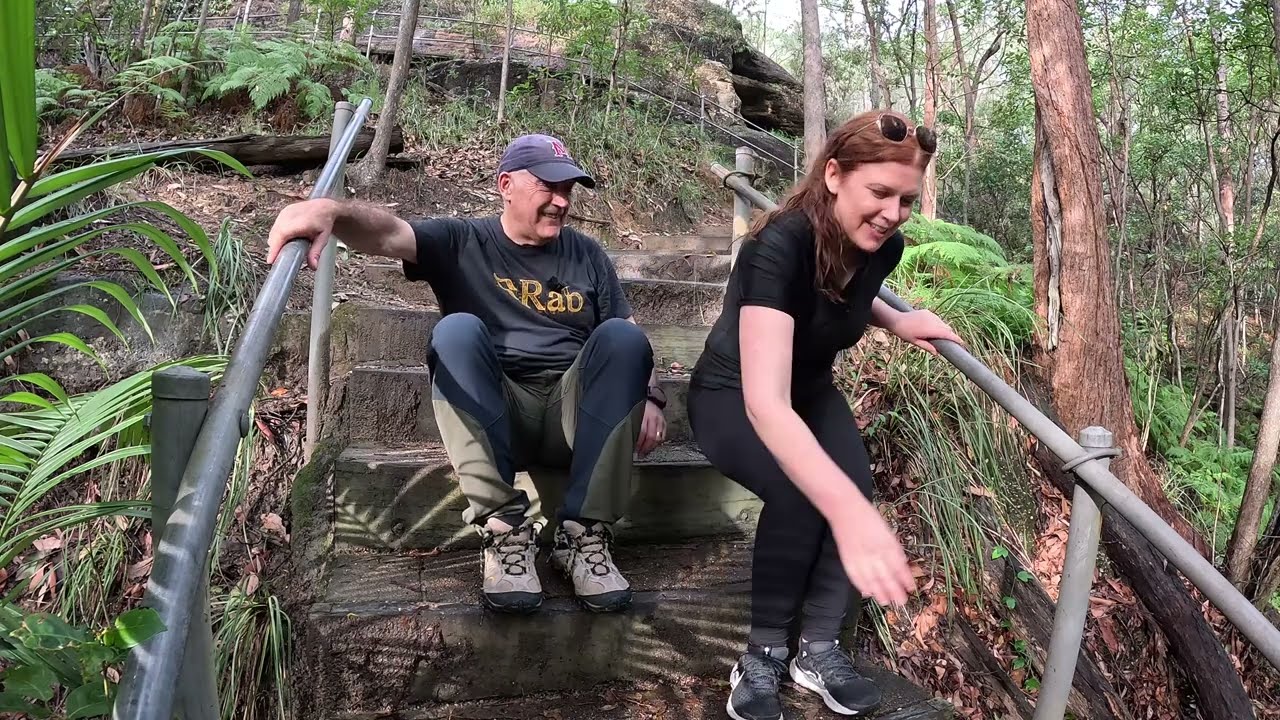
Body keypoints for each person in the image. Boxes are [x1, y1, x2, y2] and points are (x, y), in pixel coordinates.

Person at [266, 133, 669, 615]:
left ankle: (583, 538)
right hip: (498, 413)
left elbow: (623, 328)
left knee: (625, 341)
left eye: (569, 190)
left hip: (574, 415)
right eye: (548, 186)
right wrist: (333, 211)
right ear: (506, 185)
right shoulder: (464, 240)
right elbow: (389, 233)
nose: (561, 201)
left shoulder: (587, 254)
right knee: (455, 331)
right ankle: (504, 533)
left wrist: (652, 396)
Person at [687, 110, 963, 719]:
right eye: (880, 193)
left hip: (810, 389)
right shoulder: (777, 244)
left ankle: (816, 649)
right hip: (732, 395)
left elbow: (842, 297)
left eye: (906, 199)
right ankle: (761, 656)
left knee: (855, 486)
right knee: (803, 491)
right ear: (834, 175)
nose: (893, 213)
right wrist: (843, 511)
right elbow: (764, 403)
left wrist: (896, 319)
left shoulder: (882, 246)